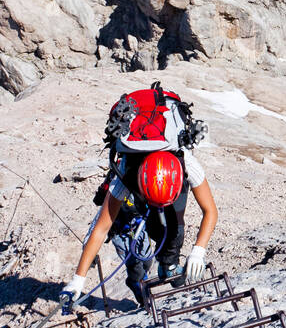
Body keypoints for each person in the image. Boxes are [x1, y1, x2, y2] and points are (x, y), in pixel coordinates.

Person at [59, 86, 219, 310]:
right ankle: (137, 282)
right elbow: (101, 228)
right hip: (133, 199)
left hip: (164, 187)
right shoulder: (126, 172)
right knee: (133, 248)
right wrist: (78, 279)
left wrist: (198, 251)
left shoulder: (186, 162)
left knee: (174, 227)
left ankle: (169, 265)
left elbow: (210, 211)